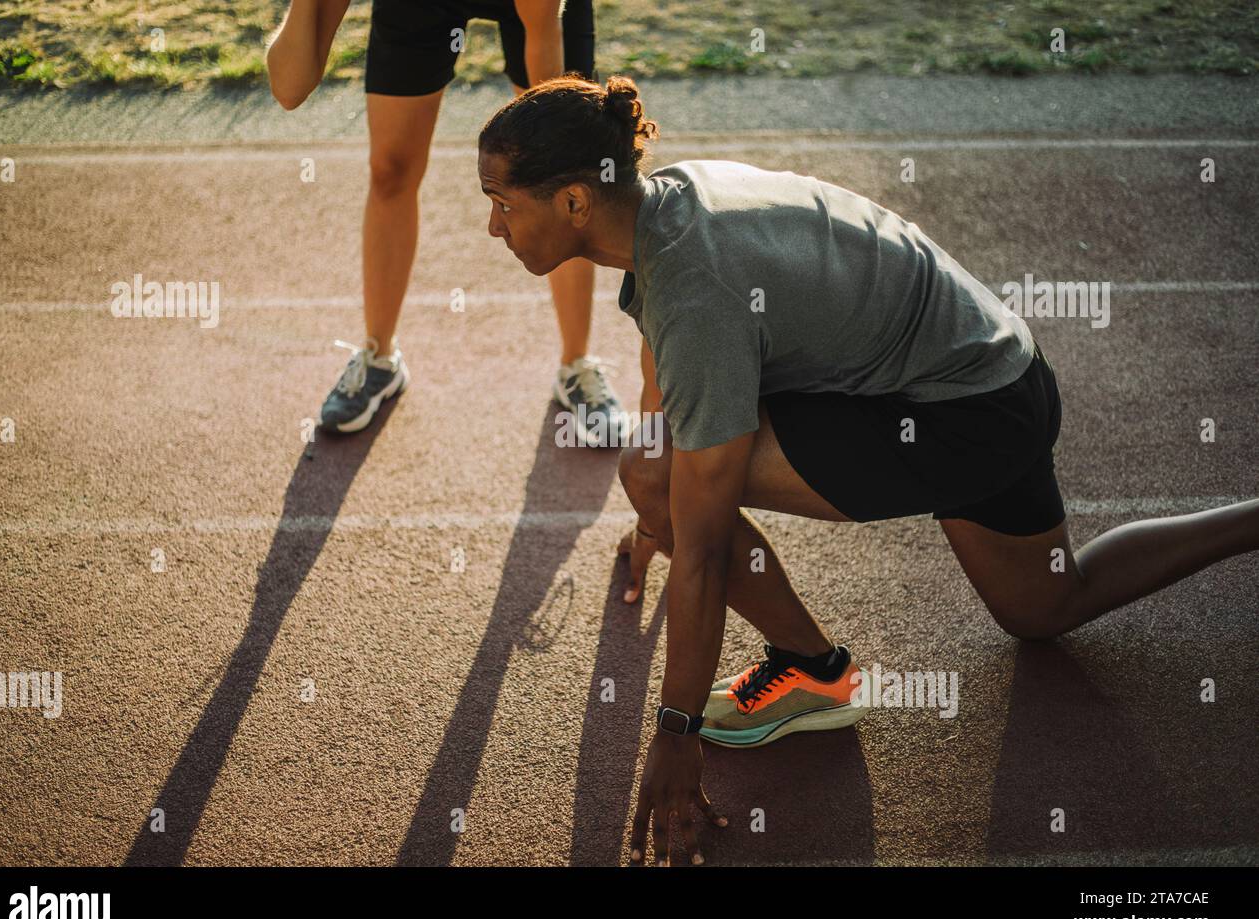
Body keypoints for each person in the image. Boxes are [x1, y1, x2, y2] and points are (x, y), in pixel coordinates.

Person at [475, 74, 1259, 865]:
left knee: (663, 478)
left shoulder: (694, 283)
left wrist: (675, 730)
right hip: (1001, 371)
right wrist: (659, 513)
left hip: (959, 417)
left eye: (503, 203)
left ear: (575, 202)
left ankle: (812, 672)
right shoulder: (667, 202)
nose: (491, 226)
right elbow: (668, 365)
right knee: (1044, 608)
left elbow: (705, 542)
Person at [266, 0, 627, 441]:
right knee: (390, 168)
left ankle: (576, 365)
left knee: (564, 173)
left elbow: (549, 98)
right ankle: (379, 360)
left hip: (533, 12)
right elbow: (289, 87)